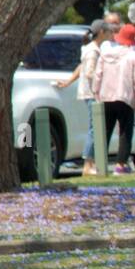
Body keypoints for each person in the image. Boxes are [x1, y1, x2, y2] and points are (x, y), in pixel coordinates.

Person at [91, 23, 135, 174]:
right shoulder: (133, 56)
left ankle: (99, 164)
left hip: (106, 96)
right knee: (125, 131)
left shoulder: (105, 54)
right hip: (125, 96)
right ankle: (120, 165)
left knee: (105, 130)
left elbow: (97, 75)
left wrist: (96, 93)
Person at [55, 20, 108, 175]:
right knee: (95, 128)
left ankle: (92, 163)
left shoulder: (89, 48)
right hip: (93, 93)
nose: (112, 34)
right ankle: (88, 164)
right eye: (109, 32)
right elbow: (90, 72)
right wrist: (103, 81)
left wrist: (68, 82)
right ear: (102, 33)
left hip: (89, 92)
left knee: (96, 127)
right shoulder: (93, 51)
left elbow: (81, 68)